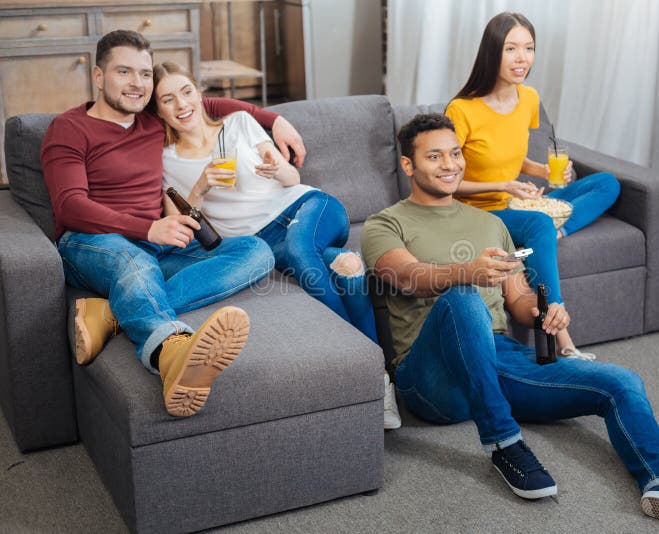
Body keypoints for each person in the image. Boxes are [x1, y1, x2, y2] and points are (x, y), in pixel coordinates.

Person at [360, 113, 659, 533]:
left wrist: (541, 311)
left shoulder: (490, 223)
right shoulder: (385, 223)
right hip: (431, 377)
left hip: (499, 357)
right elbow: (405, 276)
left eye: (455, 153)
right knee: (461, 297)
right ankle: (504, 442)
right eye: (434, 156)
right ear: (409, 166)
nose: (450, 164)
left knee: (621, 382)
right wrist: (465, 273)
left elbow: (516, 300)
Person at [41, 30, 303, 418]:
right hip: (93, 243)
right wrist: (146, 228)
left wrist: (274, 118)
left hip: (158, 244)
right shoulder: (69, 128)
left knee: (255, 251)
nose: (137, 84)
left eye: (145, 75)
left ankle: (114, 313)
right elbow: (70, 207)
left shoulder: (150, 120)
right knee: (133, 262)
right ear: (98, 77)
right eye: (124, 72)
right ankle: (171, 351)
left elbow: (207, 102)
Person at [150, 61, 401, 429]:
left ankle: (362, 370)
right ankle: (382, 383)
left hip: (309, 207)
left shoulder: (237, 123)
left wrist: (275, 167)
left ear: (199, 93)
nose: (181, 104)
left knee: (302, 251)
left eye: (186, 91)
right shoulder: (164, 160)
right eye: (167, 99)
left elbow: (292, 177)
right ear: (158, 110)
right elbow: (183, 227)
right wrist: (200, 187)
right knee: (347, 268)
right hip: (263, 240)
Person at [445, 12, 622, 360]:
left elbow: (512, 156)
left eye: (529, 48)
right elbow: (448, 184)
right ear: (492, 52)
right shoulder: (461, 110)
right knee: (539, 222)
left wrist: (542, 170)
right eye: (511, 48)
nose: (522, 58)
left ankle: (557, 231)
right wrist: (506, 185)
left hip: (518, 201)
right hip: (479, 211)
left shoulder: (528, 99)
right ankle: (564, 340)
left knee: (607, 183)